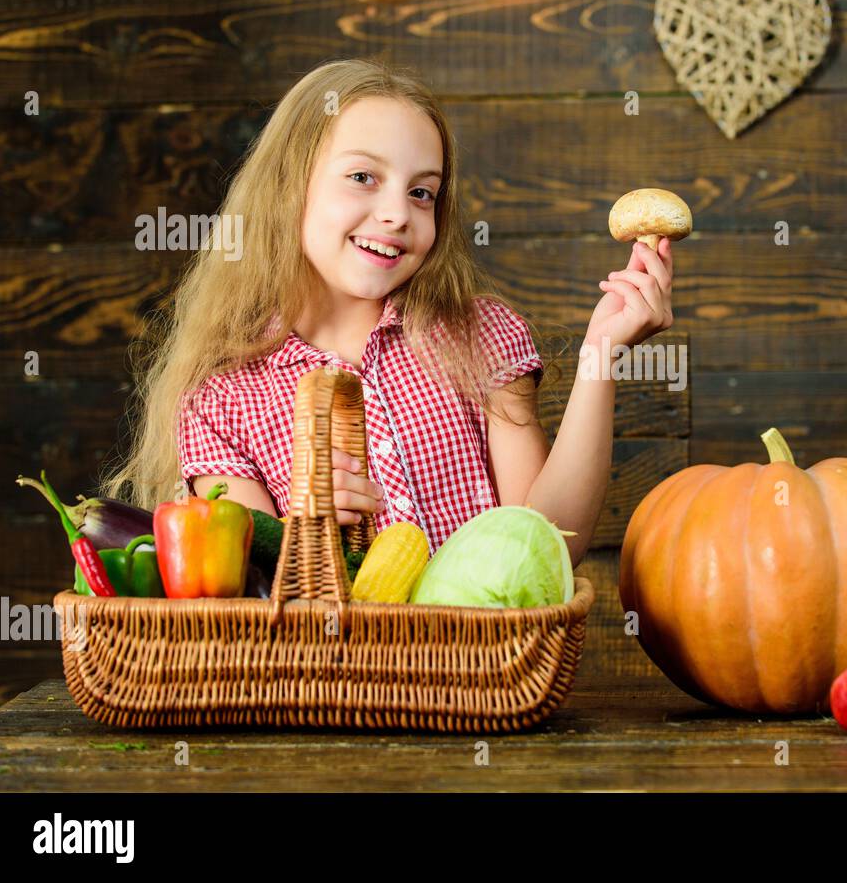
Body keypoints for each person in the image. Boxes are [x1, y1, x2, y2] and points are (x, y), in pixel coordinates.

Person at [102, 58, 673, 565]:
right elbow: (255, 600)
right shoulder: (220, 399)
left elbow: (550, 543)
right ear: (287, 188)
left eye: (422, 192)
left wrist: (602, 354)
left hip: (485, 678)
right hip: (331, 681)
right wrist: (309, 531)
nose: (397, 213)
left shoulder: (481, 336)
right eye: (362, 178)